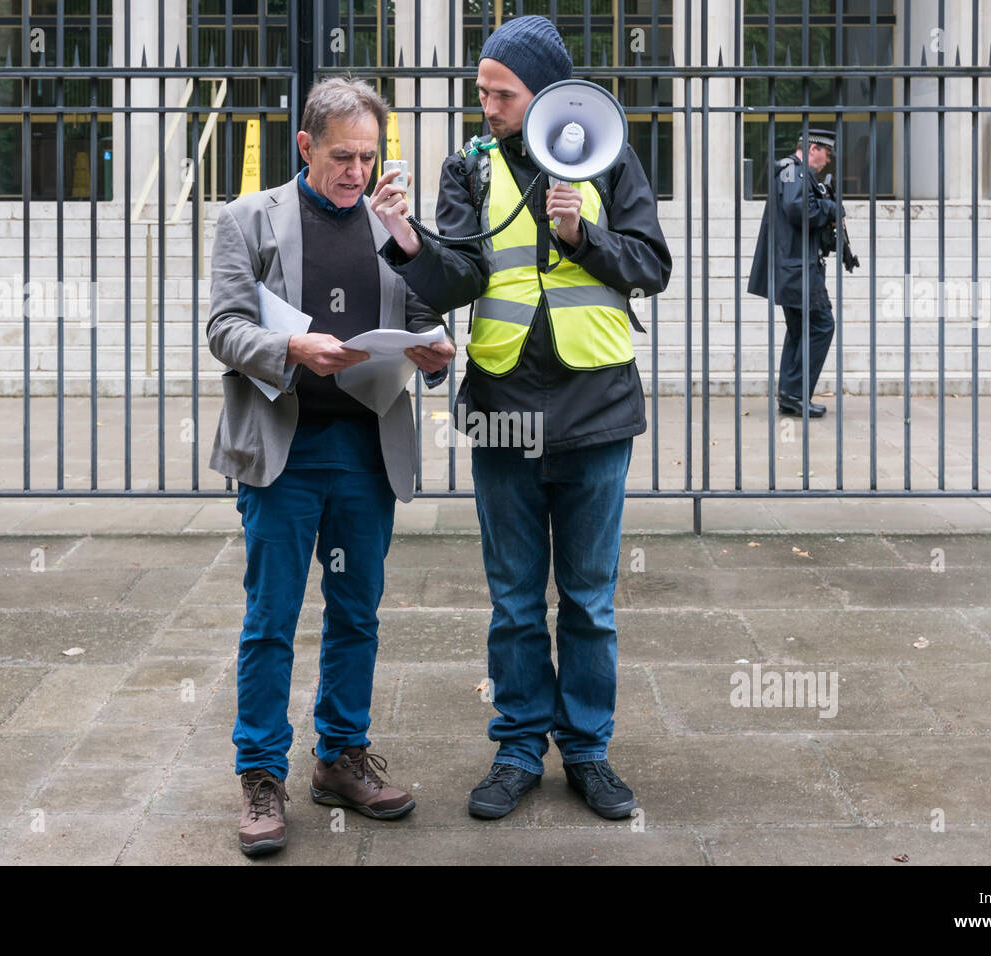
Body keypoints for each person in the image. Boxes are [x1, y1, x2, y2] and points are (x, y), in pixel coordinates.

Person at [371, 15, 672, 820]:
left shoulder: (609, 154)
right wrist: (404, 239)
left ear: (544, 94)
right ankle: (516, 749)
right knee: (512, 600)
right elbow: (459, 279)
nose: (487, 104)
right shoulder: (468, 166)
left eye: (499, 93)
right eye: (481, 90)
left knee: (589, 600)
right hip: (504, 408)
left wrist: (583, 235)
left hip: (597, 409)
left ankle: (587, 751)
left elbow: (652, 264)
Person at [206, 77, 455, 856]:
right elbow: (224, 327)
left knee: (357, 612)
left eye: (369, 156)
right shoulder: (248, 219)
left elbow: (423, 317)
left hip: (365, 447)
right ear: (306, 146)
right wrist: (289, 347)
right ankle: (260, 777)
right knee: (270, 618)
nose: (357, 171)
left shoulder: (391, 226)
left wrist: (438, 350)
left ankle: (341, 756)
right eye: (342, 155)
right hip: (284, 447)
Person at [746, 128, 841, 419]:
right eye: (827, 154)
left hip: (794, 267)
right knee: (822, 325)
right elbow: (799, 208)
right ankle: (797, 394)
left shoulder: (791, 172)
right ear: (813, 148)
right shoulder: (794, 172)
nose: (828, 161)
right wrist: (832, 207)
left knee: (800, 330)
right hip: (798, 269)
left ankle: (790, 396)